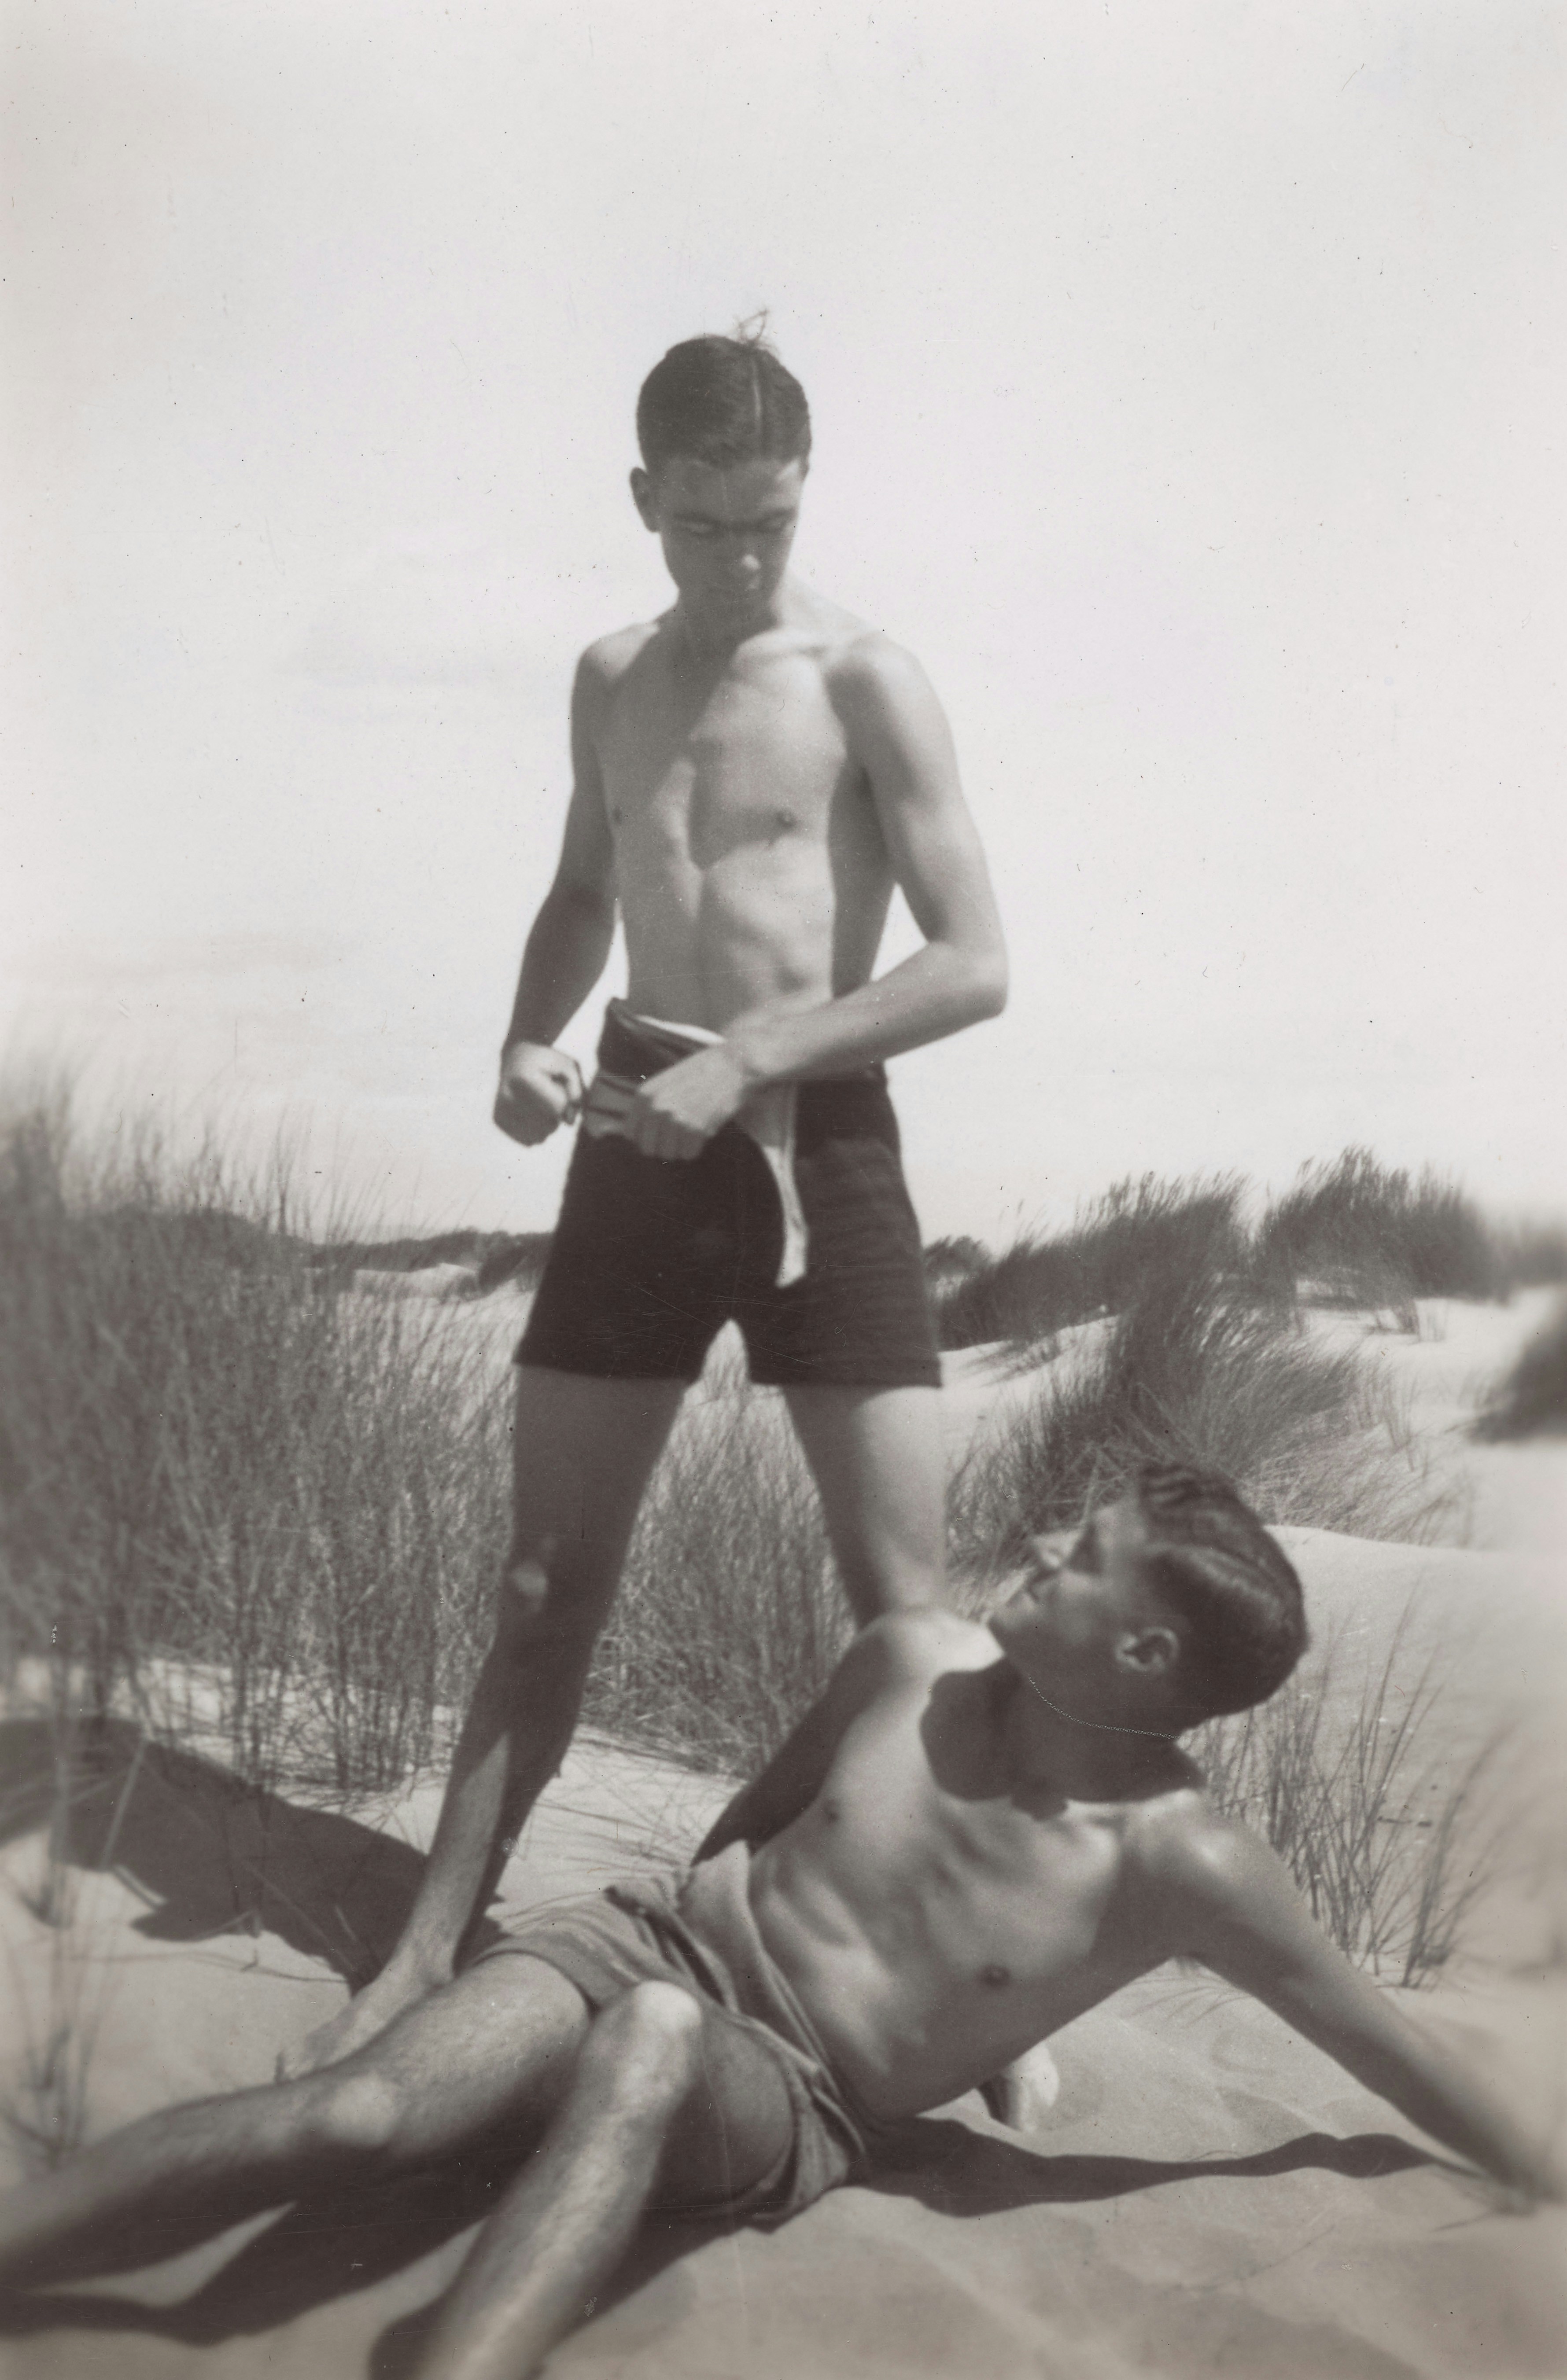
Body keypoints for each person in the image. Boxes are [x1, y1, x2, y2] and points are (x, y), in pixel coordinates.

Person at [3, 1465, 1558, 2380]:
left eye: (1074, 1561)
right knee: (353, 2112)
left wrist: (1544, 2178)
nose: (1031, 1548)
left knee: (665, 2040)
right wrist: (656, 1933)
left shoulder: (1184, 1867)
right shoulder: (907, 1661)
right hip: (638, 1948)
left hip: (787, 2090)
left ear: (1146, 1650)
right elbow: (747, 1826)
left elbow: (1387, 2045)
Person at [281, 325, 1008, 2079]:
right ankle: (429, 1943)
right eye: (702, 525)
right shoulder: (609, 671)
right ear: (642, 502)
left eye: (766, 520)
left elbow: (974, 963)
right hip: (630, 1129)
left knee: (907, 1613)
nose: (741, 558)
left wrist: (758, 1050)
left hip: (818, 1136)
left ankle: (967, 1982)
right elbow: (579, 887)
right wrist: (525, 1042)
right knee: (544, 1581)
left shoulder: (865, 677)